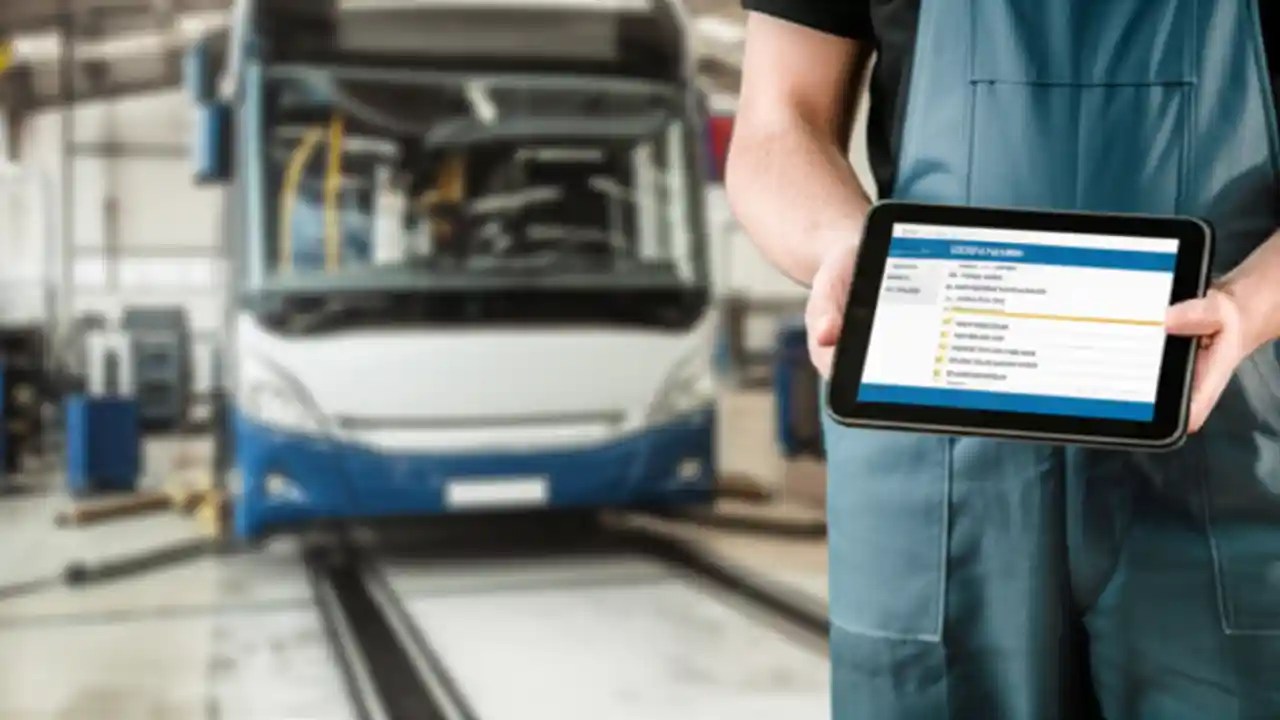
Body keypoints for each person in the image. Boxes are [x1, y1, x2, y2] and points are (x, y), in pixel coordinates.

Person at [726, 2, 1280, 718]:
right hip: (935, 450)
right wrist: (845, 250)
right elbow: (777, 122)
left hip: (1236, 438)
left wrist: (1251, 304)